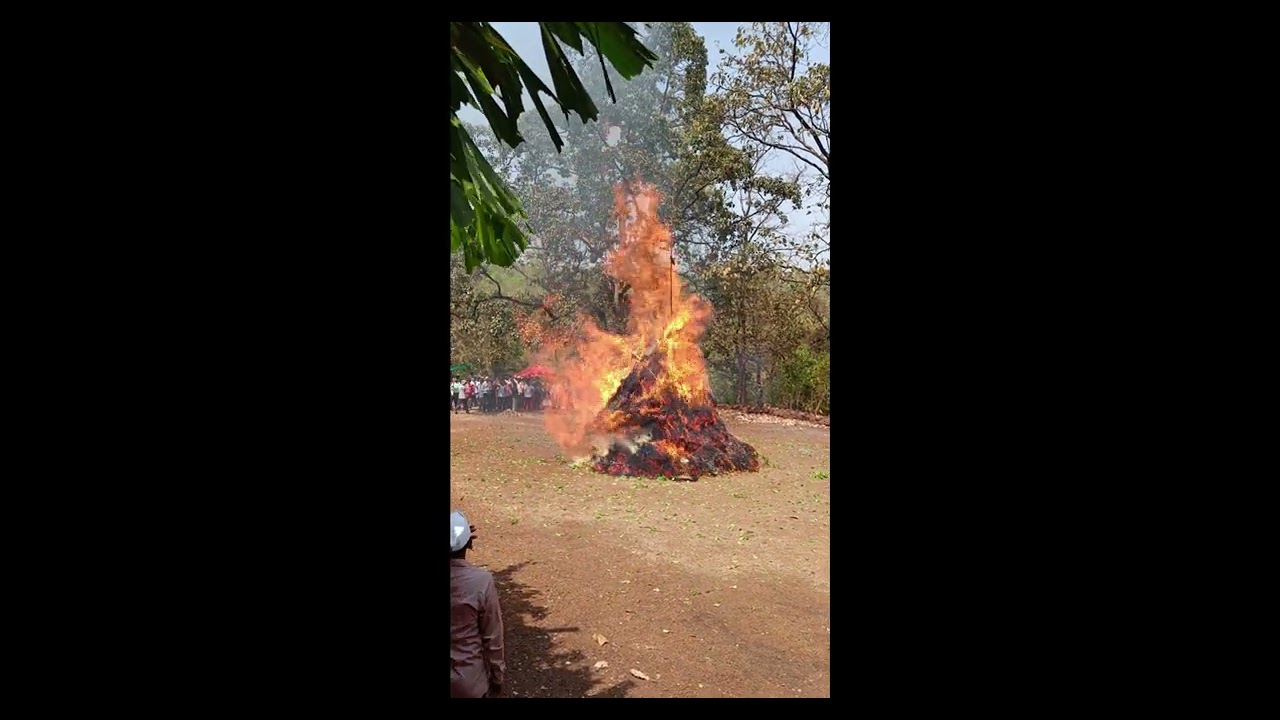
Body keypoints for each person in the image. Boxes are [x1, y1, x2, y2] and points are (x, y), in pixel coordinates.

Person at [451, 511, 505, 698]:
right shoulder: (481, 581)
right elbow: (493, 636)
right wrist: (497, 677)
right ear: (470, 543)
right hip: (469, 683)